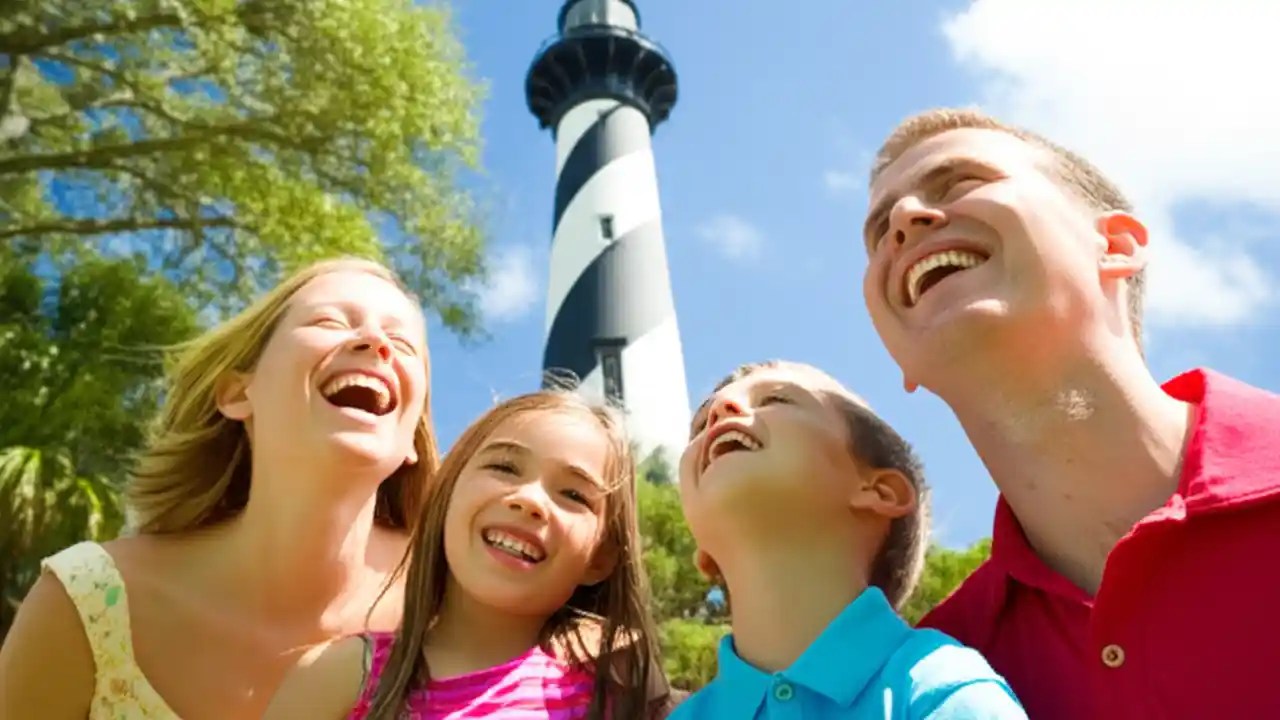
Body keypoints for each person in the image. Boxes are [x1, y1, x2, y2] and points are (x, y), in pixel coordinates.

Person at [861, 107, 1280, 719]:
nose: (902, 220)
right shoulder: (932, 681)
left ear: (1115, 246)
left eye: (962, 183)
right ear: (900, 354)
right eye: (878, 233)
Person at [0, 257, 439, 720]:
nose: (376, 343)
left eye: (403, 344)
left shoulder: (454, 608)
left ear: (411, 436)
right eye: (330, 321)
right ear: (237, 393)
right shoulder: (89, 605)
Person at [264, 389, 675, 720]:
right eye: (505, 468)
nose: (529, 499)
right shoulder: (340, 674)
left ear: (600, 560)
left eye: (573, 494)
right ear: (447, 495)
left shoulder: (618, 690)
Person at [671, 360, 1025, 719]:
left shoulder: (935, 685)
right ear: (704, 555)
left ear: (880, 491)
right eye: (700, 425)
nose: (719, 409)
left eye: (776, 399)